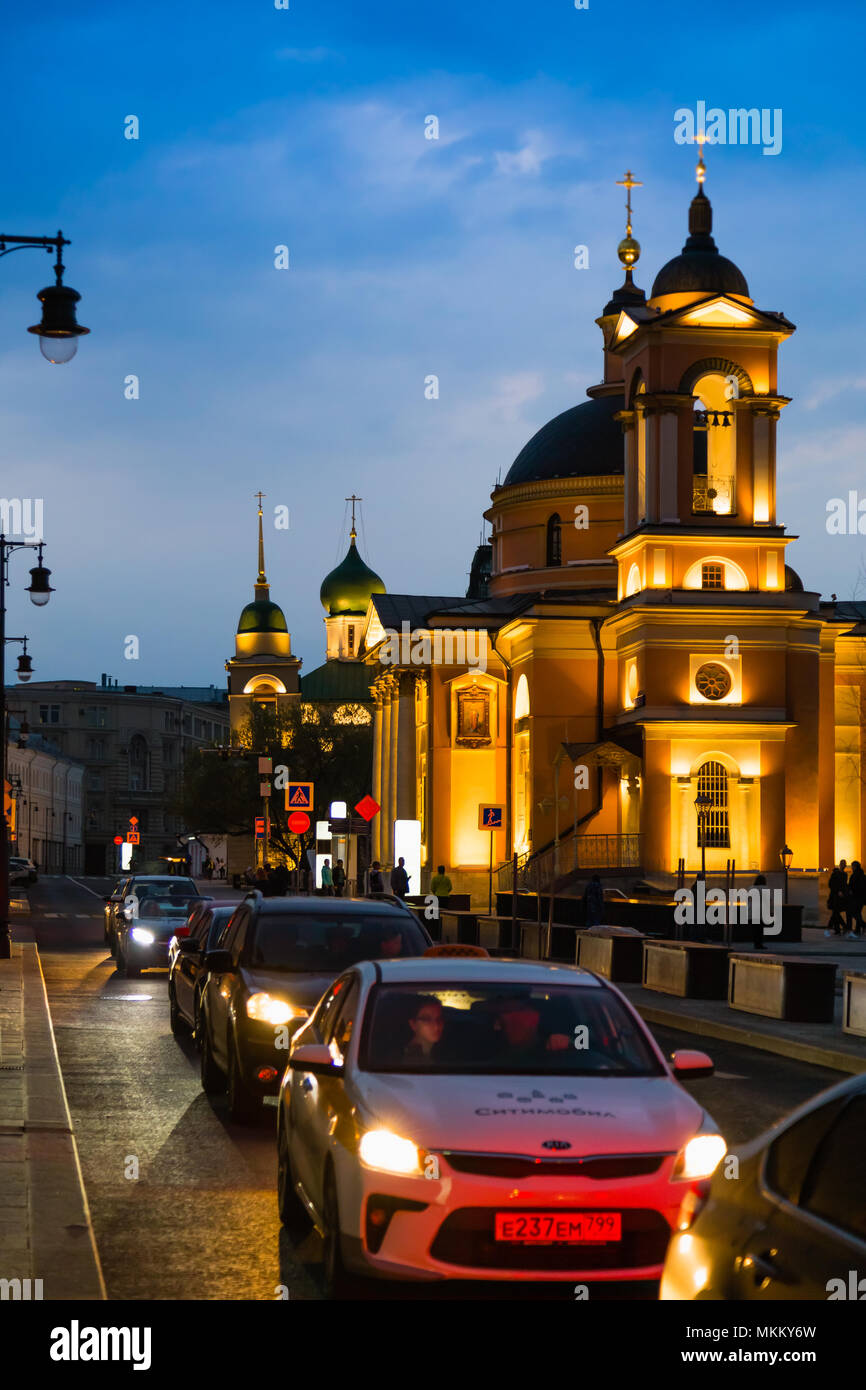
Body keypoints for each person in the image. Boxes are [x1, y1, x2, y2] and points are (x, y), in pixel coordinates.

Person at [491, 993, 570, 1062]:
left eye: (520, 1011)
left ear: (536, 1017)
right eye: (506, 1012)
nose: (514, 1018)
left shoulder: (558, 1047)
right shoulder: (493, 1063)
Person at [403, 996, 445, 1062]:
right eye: (427, 1019)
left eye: (439, 1019)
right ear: (413, 1024)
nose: (436, 1026)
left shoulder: (438, 1051)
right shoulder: (411, 1059)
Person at [826, 859, 849, 937]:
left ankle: (837, 929)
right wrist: (838, 891)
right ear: (839, 865)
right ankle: (842, 927)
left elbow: (845, 885)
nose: (843, 865)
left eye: (844, 864)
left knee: (835, 913)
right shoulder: (835, 874)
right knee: (835, 913)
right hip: (834, 896)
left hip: (841, 897)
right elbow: (830, 884)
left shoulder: (845, 874)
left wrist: (845, 893)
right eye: (842, 864)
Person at [847, 860, 865, 937]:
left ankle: (863, 925)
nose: (852, 868)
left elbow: (855, 886)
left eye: (853, 866)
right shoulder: (862, 875)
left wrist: (851, 891)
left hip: (856, 897)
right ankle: (858, 929)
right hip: (861, 898)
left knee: (854, 913)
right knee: (858, 913)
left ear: (856, 867)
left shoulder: (856, 876)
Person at [751, 874, 768, 950]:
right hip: (761, 912)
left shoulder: (750, 888)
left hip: (751, 912)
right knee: (760, 929)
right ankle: (759, 944)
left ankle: (756, 944)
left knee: (755, 929)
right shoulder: (764, 889)